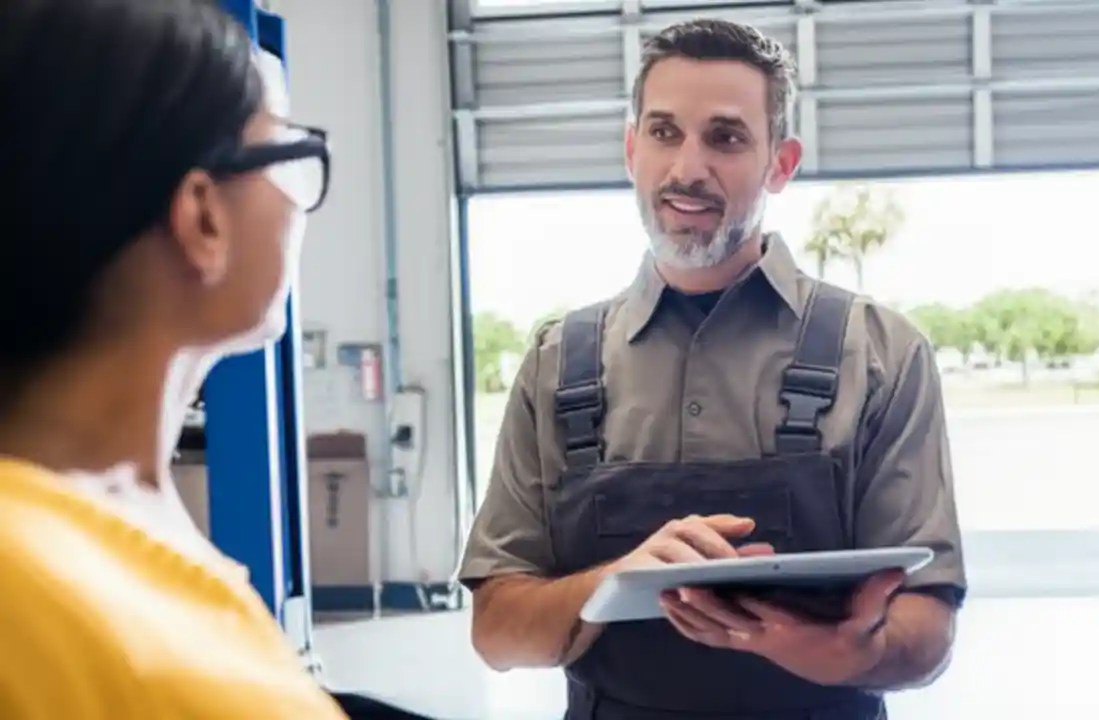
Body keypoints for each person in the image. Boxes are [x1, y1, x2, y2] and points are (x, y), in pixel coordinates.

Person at [458, 18, 967, 720]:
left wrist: (851, 656)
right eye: (664, 133)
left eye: (725, 138)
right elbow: (496, 631)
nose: (688, 168)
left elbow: (929, 626)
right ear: (632, 149)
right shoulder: (556, 364)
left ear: (780, 164)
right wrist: (613, 580)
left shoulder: (881, 353)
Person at [0, 0, 348, 717]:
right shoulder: (28, 591)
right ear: (203, 217)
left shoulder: (113, 531)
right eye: (285, 153)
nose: (296, 209)